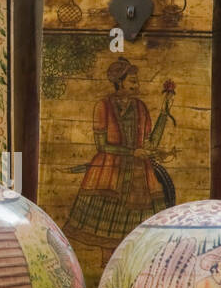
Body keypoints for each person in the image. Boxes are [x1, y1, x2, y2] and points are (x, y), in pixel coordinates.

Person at [63, 59, 173, 260]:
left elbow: (150, 142)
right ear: (119, 82)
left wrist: (164, 114)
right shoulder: (103, 106)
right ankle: (108, 267)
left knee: (138, 233)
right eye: (132, 81)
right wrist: (132, 153)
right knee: (105, 231)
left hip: (139, 175)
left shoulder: (141, 107)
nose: (136, 85)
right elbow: (102, 146)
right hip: (109, 173)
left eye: (136, 81)